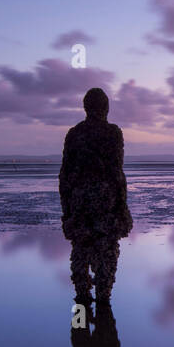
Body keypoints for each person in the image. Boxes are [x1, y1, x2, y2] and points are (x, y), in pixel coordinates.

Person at [58, 87, 133, 305]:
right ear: (105, 108)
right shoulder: (112, 133)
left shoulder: (74, 134)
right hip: (104, 202)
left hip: (79, 201)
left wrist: (67, 209)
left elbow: (65, 175)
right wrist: (122, 207)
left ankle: (83, 300)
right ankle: (102, 300)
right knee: (106, 251)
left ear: (86, 107)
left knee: (81, 249)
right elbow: (116, 171)